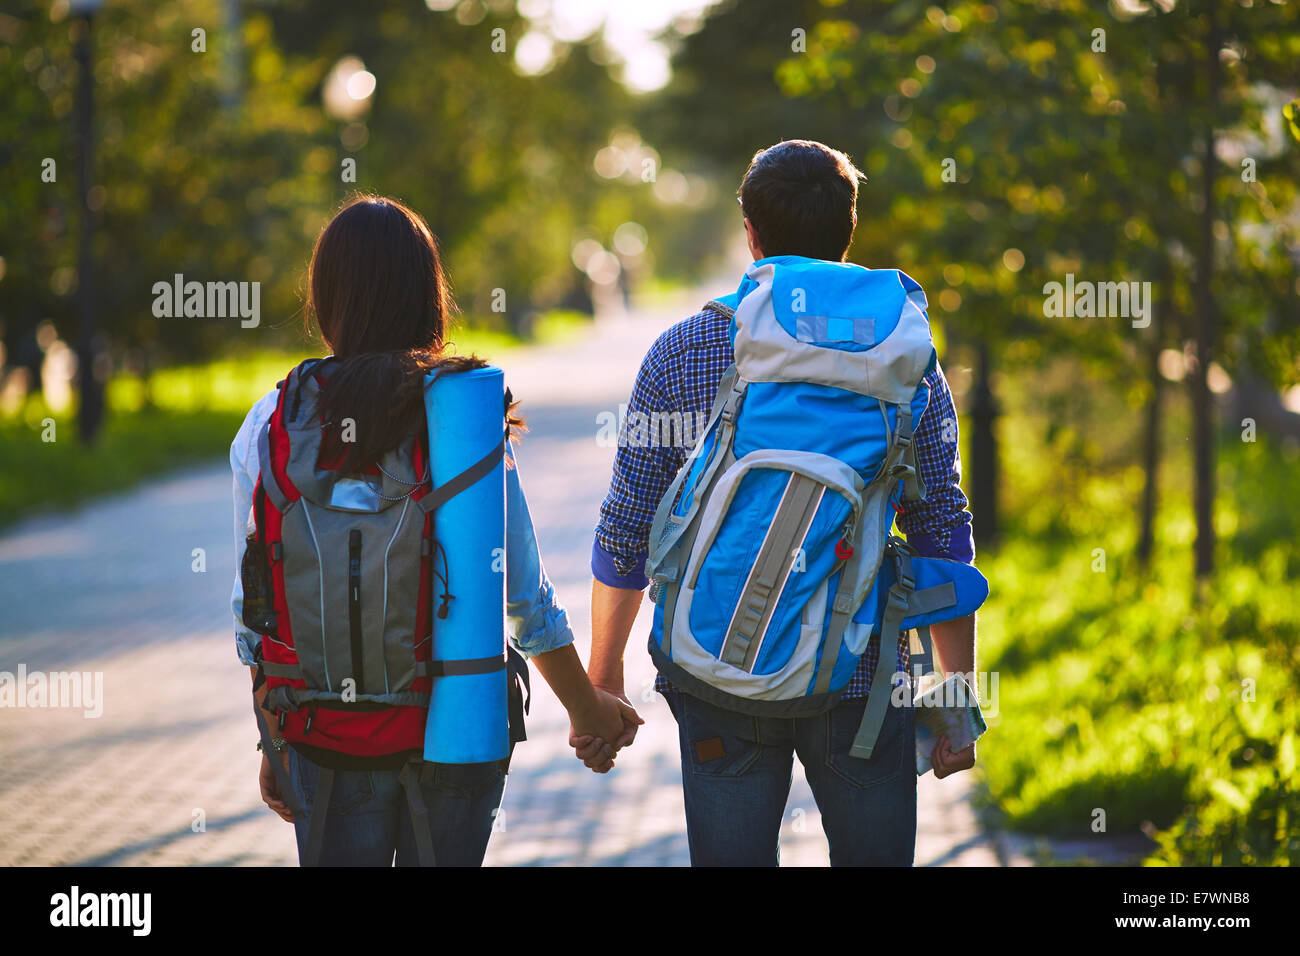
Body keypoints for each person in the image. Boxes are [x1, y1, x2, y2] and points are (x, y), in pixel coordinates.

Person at [575, 140, 979, 866]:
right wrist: (956, 701)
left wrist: (601, 691)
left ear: (750, 233)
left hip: (717, 667)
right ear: (848, 229)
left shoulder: (687, 348)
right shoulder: (905, 355)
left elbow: (625, 533)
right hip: (862, 673)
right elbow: (941, 528)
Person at [230, 194, 640, 866]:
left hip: (319, 731)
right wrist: (588, 711)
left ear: (325, 296)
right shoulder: (462, 413)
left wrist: (273, 739)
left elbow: (253, 609)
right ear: (428, 295)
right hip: (456, 724)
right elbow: (524, 596)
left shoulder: (274, 420)